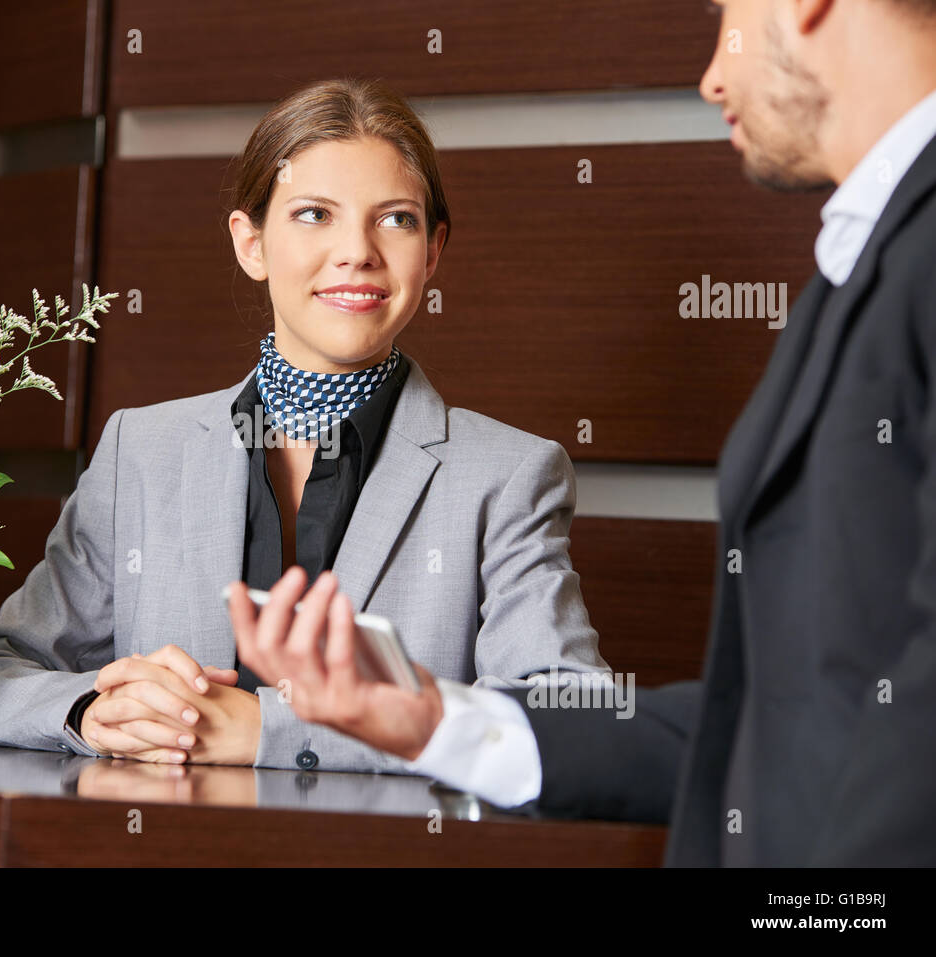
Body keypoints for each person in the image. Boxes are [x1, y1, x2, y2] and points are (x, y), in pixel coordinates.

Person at [231, 0, 936, 865]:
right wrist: (432, 718)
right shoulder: (862, 262)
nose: (714, 73)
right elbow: (778, 723)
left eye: (727, 17)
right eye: (313, 214)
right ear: (248, 241)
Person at [0, 78, 609, 771]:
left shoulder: (508, 474)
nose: (357, 251)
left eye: (396, 219)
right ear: (250, 242)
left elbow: (564, 715)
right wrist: (92, 710)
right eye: (315, 214)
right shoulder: (139, 452)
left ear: (432, 251)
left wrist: (270, 729)